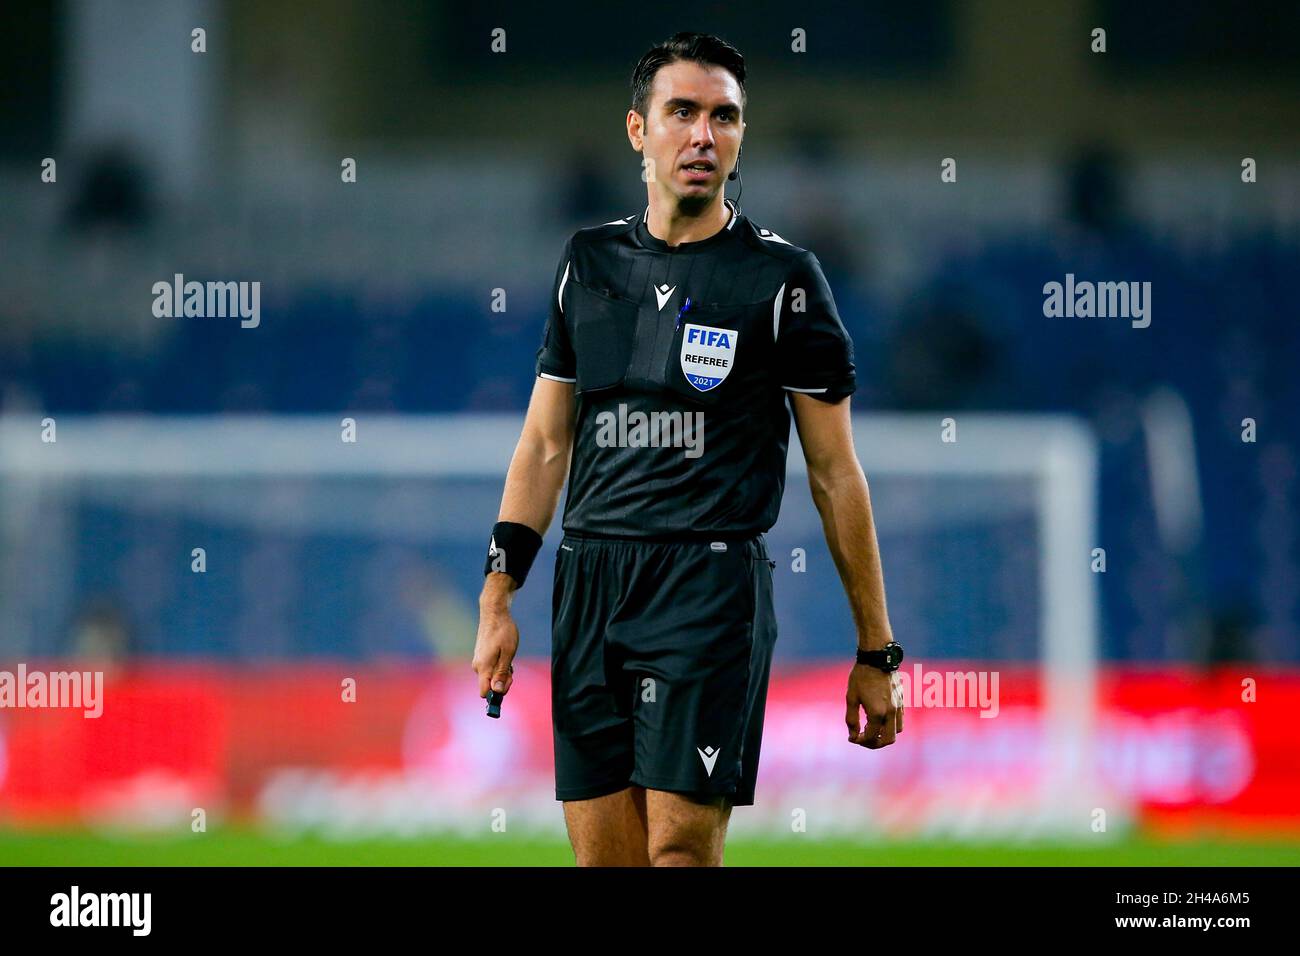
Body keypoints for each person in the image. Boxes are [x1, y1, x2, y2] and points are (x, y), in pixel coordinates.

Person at [473, 32, 902, 867]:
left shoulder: (783, 280)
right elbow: (545, 445)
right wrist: (499, 597)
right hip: (591, 580)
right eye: (683, 112)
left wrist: (875, 650)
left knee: (678, 853)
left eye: (725, 117)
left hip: (707, 586)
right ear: (639, 130)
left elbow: (834, 472)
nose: (704, 135)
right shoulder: (587, 262)